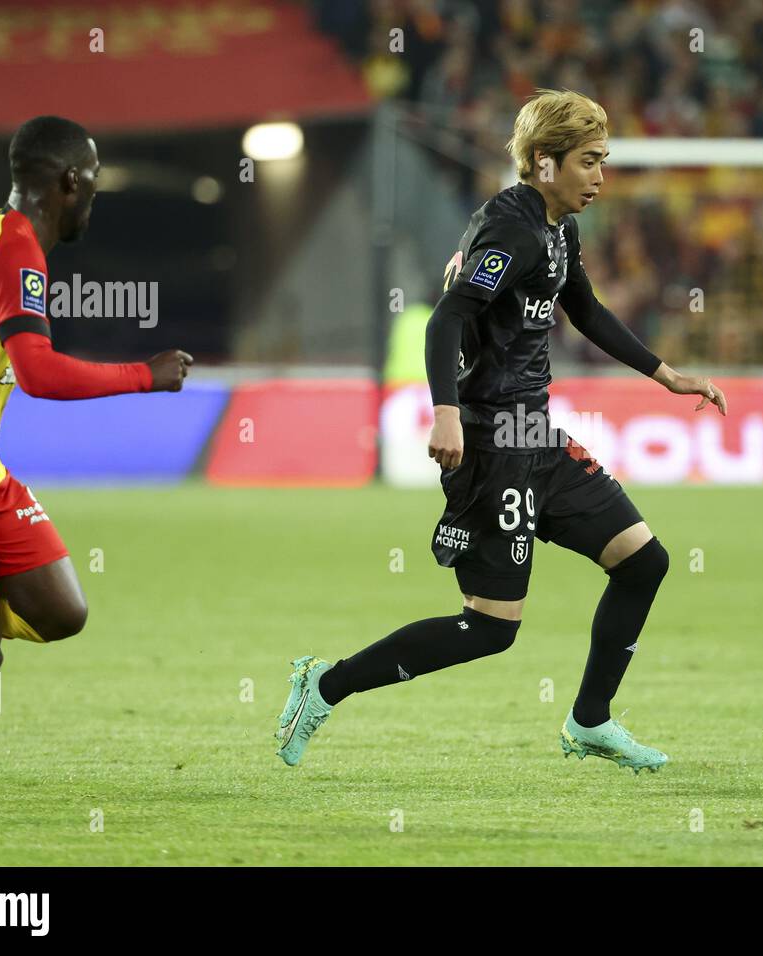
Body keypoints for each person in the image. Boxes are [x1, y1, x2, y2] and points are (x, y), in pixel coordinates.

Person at [276, 90, 726, 774]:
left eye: (603, 160)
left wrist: (667, 374)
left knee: (644, 562)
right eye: (589, 161)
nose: (600, 176)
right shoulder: (511, 230)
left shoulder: (557, 228)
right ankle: (324, 686)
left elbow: (587, 309)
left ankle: (591, 721)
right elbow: (445, 320)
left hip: (536, 435)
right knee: (490, 629)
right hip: (491, 446)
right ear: (545, 163)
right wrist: (447, 411)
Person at [0, 116, 193, 817]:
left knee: (61, 611)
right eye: (91, 181)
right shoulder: (11, 252)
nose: (93, 196)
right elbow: (38, 374)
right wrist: (145, 376)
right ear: (69, 181)